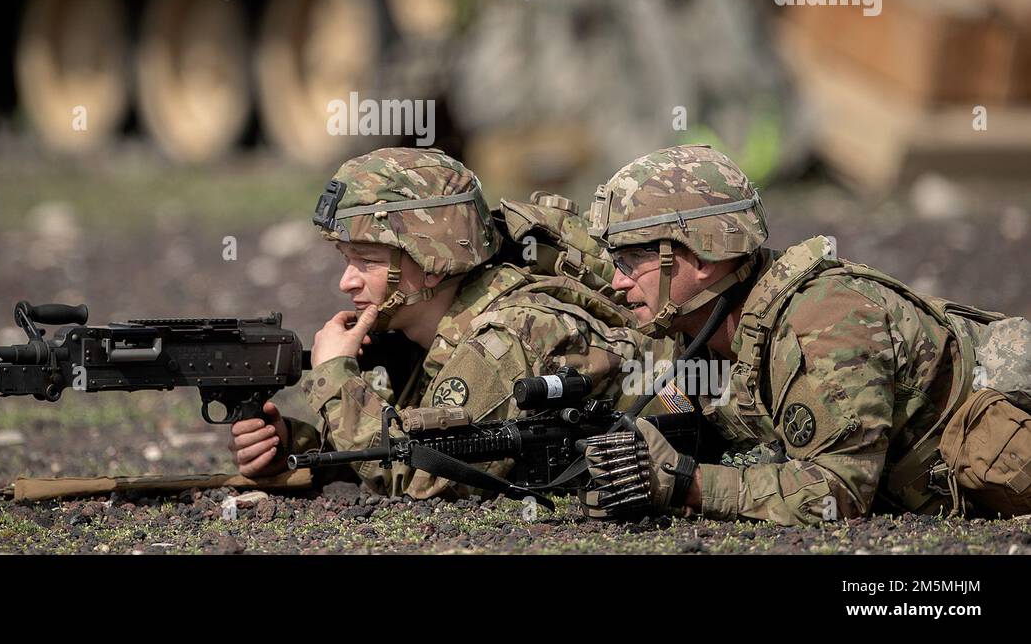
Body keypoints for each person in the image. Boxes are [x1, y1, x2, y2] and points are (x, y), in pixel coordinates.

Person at [582, 144, 1031, 524]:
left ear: (702, 257)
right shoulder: (692, 325)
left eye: (632, 260)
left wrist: (687, 484)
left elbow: (838, 494)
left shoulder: (824, 321)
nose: (619, 281)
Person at [227, 147, 649, 499]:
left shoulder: (508, 336)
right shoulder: (436, 328)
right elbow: (411, 433)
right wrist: (293, 447)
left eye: (367, 261)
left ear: (433, 263)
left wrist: (335, 379)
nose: (345, 282)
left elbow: (420, 476)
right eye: (346, 259)